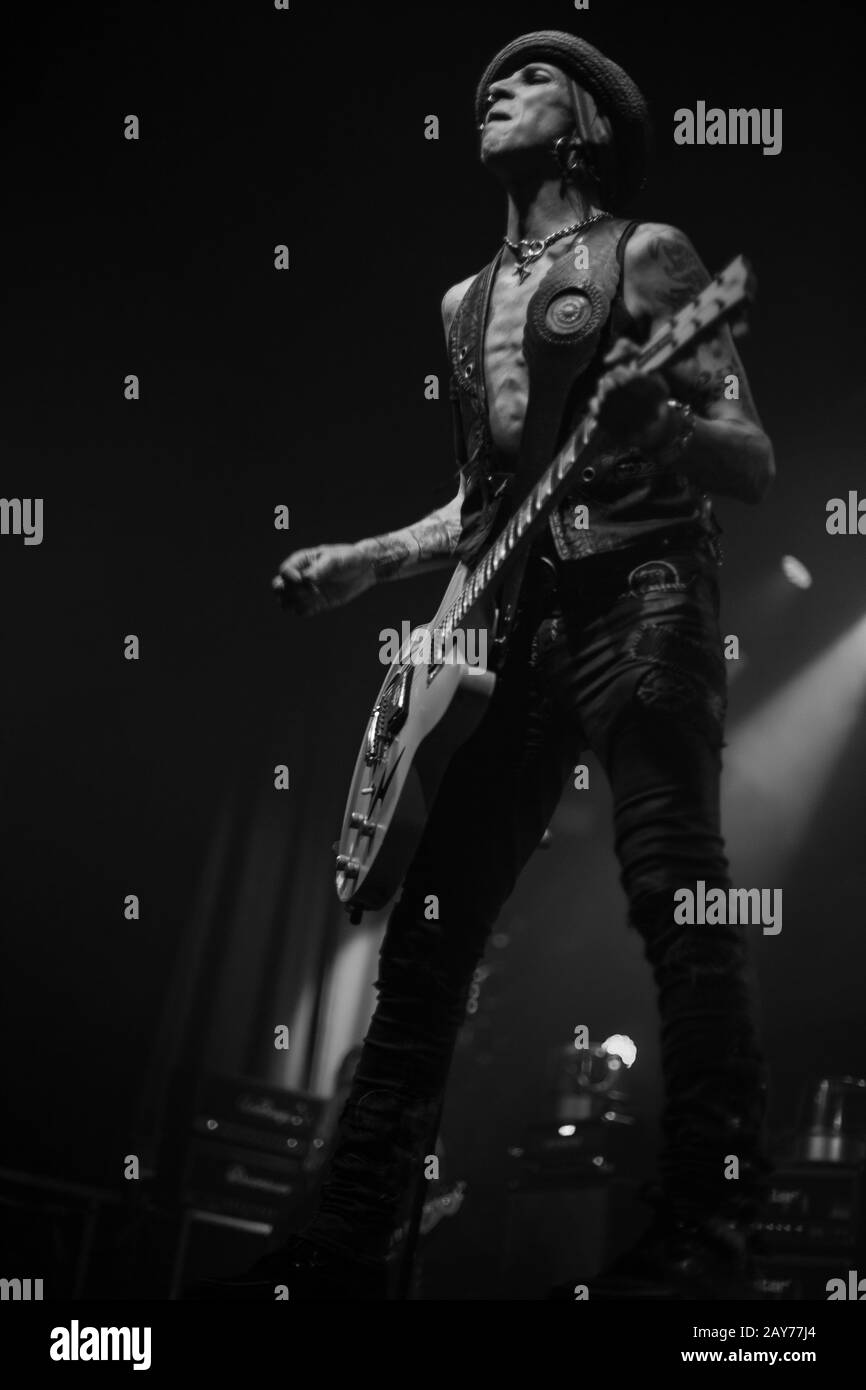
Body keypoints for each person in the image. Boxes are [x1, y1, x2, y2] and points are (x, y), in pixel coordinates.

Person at [202, 29, 775, 1301]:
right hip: (503, 627)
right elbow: (484, 505)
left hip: (640, 584)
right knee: (425, 944)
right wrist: (366, 558)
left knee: (674, 881)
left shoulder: (649, 255)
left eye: (528, 78)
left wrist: (663, 427)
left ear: (583, 124)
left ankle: (711, 1223)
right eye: (487, 81)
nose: (495, 89)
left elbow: (748, 457)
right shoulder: (460, 305)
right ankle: (344, 1246)